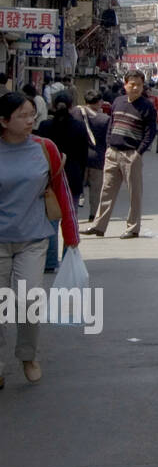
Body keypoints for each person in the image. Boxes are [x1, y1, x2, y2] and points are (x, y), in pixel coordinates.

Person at [0, 91, 80, 386]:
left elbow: (62, 190)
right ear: (4, 121)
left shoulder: (45, 148)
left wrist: (71, 235)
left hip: (33, 239)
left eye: (32, 113)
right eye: (22, 115)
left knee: (29, 298)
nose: (30, 120)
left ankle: (27, 355)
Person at [86, 70, 157, 239]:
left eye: (139, 85)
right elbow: (111, 123)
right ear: (125, 84)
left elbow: (151, 132)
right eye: (132, 84)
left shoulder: (147, 106)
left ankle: (133, 228)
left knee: (134, 193)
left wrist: (139, 152)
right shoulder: (117, 102)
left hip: (131, 155)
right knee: (106, 191)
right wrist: (109, 144)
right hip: (113, 153)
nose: (135, 88)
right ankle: (99, 226)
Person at [36, 90, 89, 272]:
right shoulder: (79, 127)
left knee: (50, 220)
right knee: (69, 218)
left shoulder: (44, 126)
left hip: (49, 177)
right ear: (72, 106)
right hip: (72, 177)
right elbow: (83, 156)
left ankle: (50, 262)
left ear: (52, 105)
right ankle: (67, 261)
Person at [77, 91, 111, 216]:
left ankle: (73, 213)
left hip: (79, 157)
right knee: (96, 190)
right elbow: (108, 140)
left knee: (75, 188)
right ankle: (94, 216)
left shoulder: (76, 114)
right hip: (97, 158)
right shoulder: (105, 119)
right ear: (98, 102)